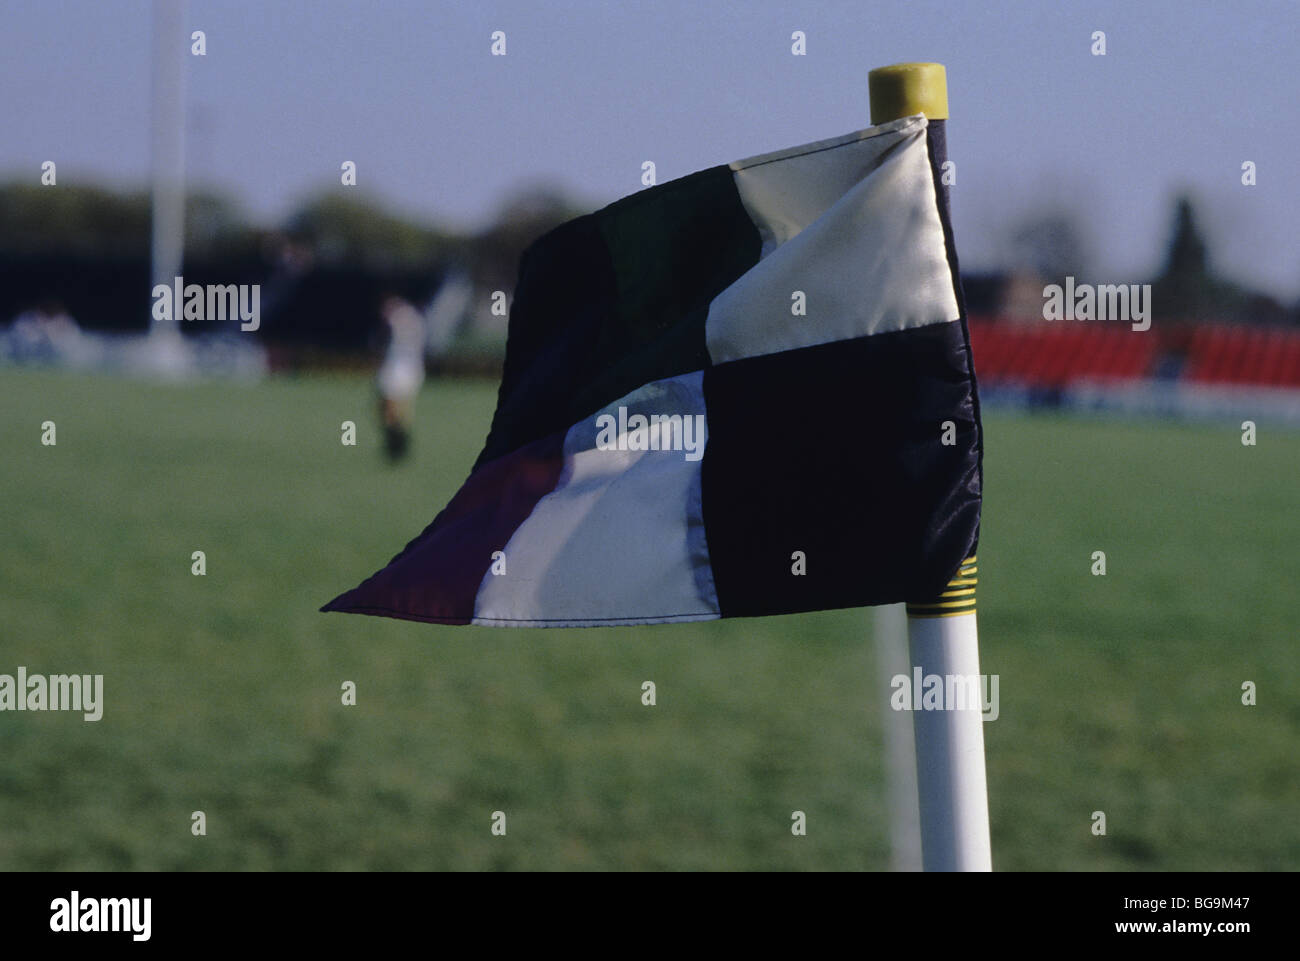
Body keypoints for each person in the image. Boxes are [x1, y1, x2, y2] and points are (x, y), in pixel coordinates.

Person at [375, 294, 427, 461]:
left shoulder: (398, 318)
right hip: (412, 368)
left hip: (398, 368)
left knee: (389, 410)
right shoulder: (417, 318)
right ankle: (398, 445)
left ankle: (397, 446)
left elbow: (383, 341)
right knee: (399, 410)